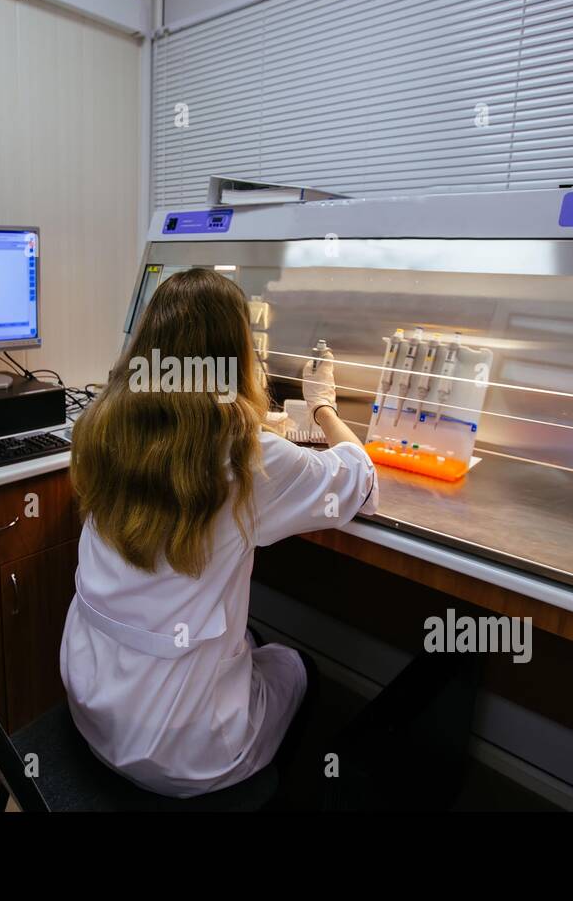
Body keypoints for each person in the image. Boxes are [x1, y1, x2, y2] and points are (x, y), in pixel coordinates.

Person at [60, 268, 378, 797]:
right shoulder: (246, 456)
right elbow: (361, 484)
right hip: (183, 754)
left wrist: (258, 428)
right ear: (236, 355)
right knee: (295, 666)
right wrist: (323, 407)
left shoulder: (103, 425)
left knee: (242, 642)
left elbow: (187, 433)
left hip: (93, 707)